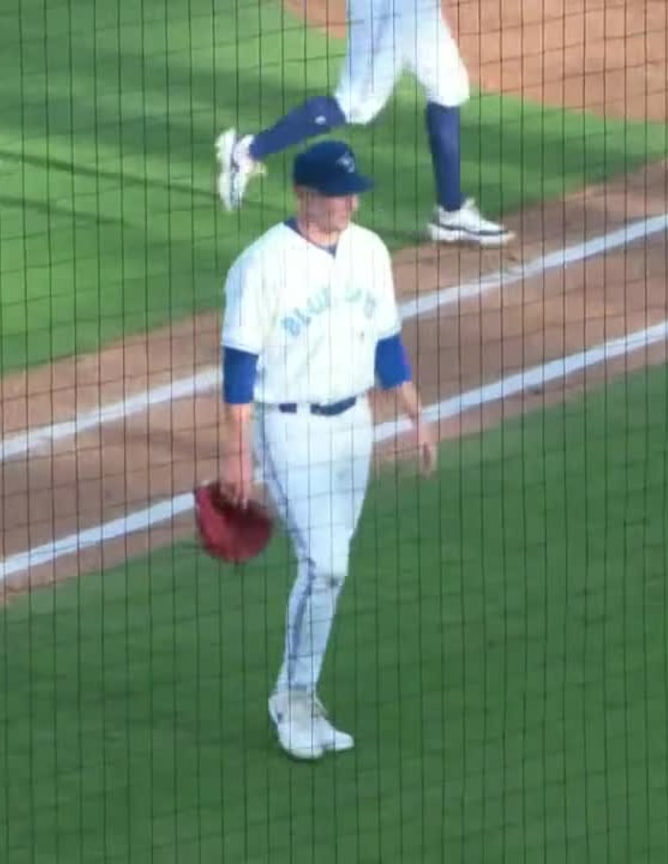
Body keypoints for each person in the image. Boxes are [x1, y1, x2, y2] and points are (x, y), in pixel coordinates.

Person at [217, 139, 438, 760]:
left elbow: (387, 345)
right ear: (303, 196)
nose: (350, 201)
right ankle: (289, 699)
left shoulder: (369, 252)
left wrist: (416, 416)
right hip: (289, 429)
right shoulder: (262, 266)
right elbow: (238, 371)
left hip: (355, 427)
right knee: (326, 564)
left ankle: (303, 693)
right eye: (338, 193)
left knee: (330, 571)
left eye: (353, 191)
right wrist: (237, 454)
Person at [215, 0, 514, 248]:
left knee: (449, 88)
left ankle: (451, 212)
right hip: (389, 8)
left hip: (416, 9)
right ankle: (247, 151)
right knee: (355, 103)